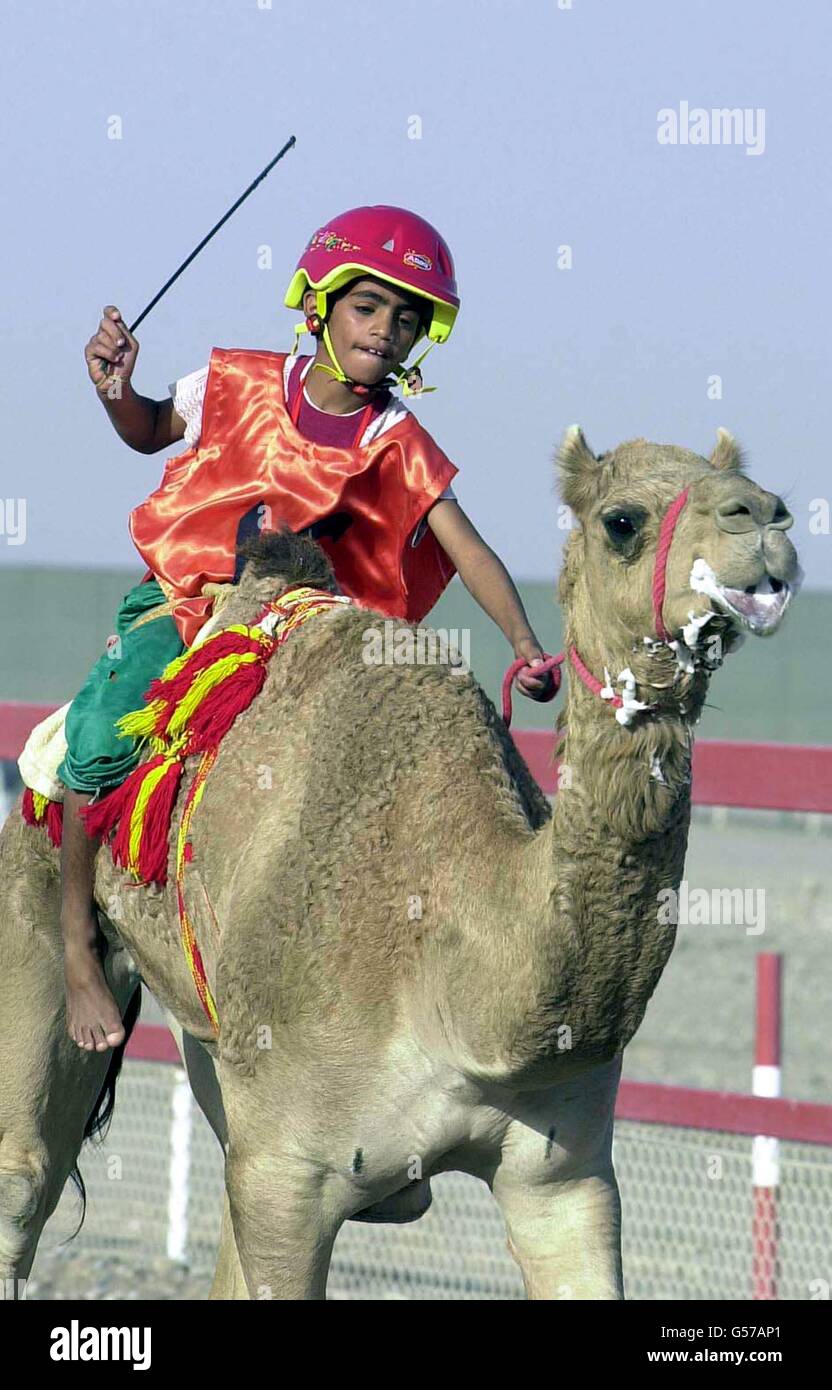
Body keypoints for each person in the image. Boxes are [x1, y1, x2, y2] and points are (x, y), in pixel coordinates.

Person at [62, 204, 554, 1053]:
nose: (386, 331)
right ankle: (77, 947)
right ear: (319, 305)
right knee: (100, 729)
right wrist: (114, 385)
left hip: (304, 630)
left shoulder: (400, 440)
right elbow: (146, 432)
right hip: (193, 599)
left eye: (406, 319)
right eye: (369, 308)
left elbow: (467, 549)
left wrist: (524, 643)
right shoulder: (235, 381)